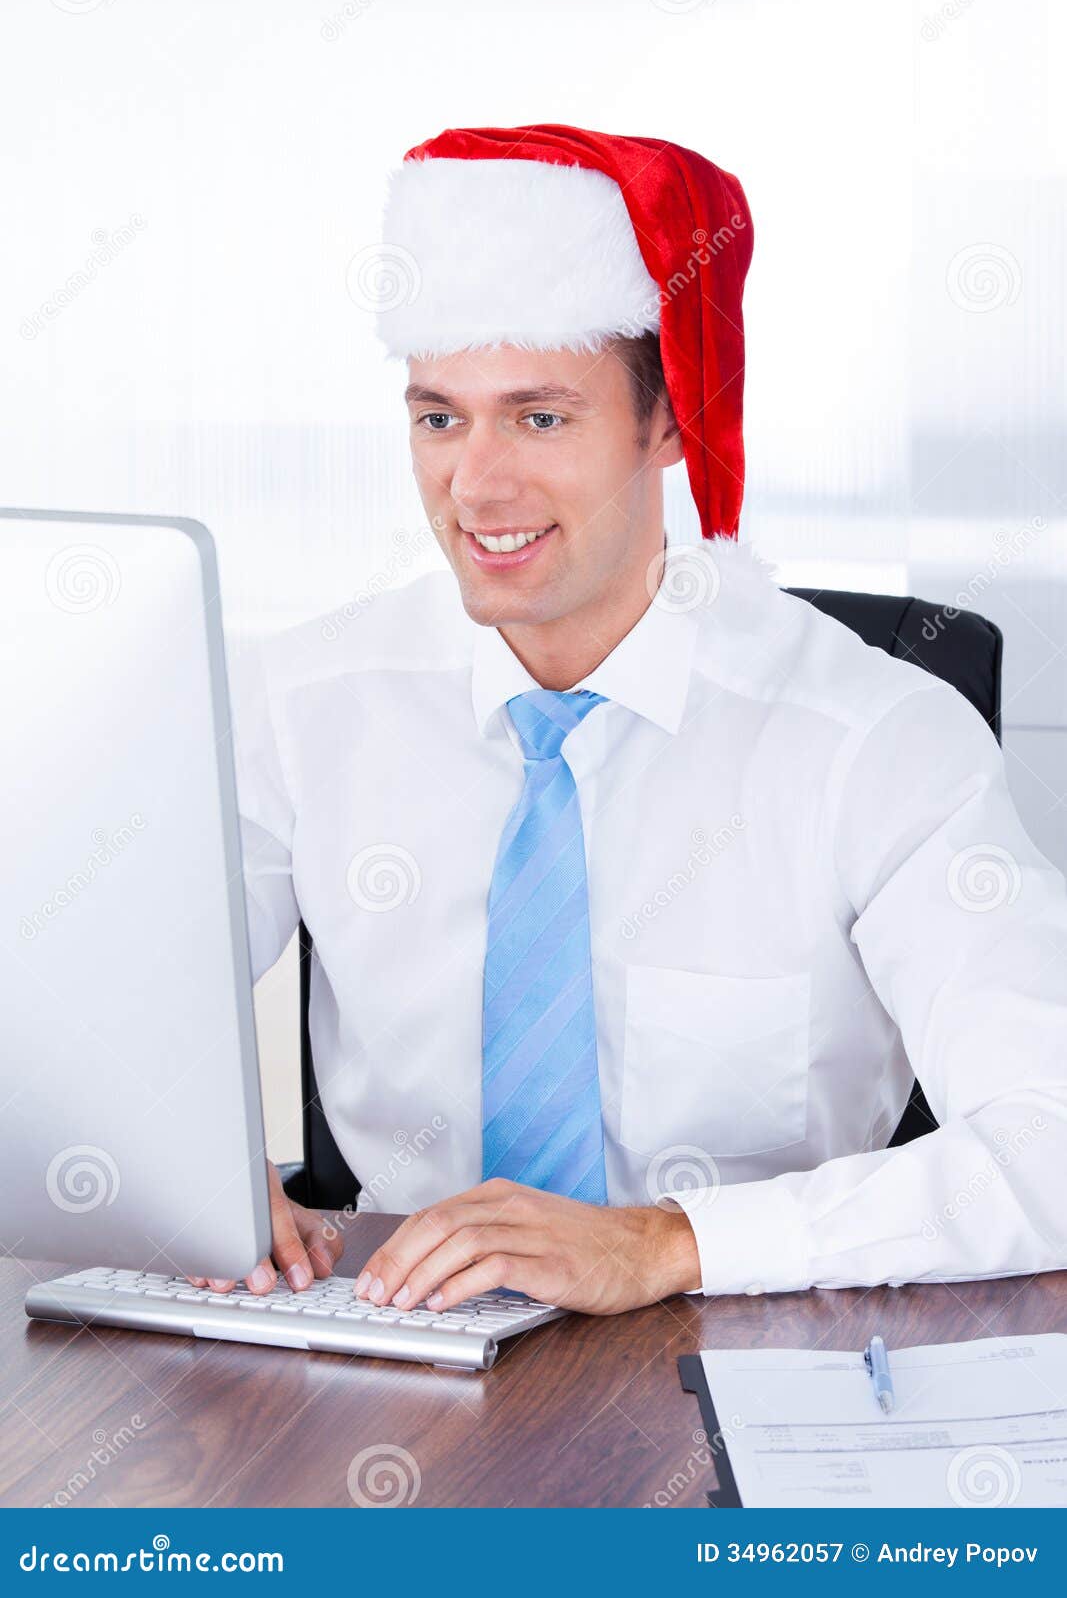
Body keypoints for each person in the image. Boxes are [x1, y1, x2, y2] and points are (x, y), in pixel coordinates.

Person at [195, 123, 1067, 1316]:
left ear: (669, 425)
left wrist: (665, 1244)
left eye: (540, 418)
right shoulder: (299, 707)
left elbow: (1049, 1141)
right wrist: (198, 1185)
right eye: (439, 417)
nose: (476, 485)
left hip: (756, 1357)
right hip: (393, 1350)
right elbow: (91, 1027)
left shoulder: (876, 739)